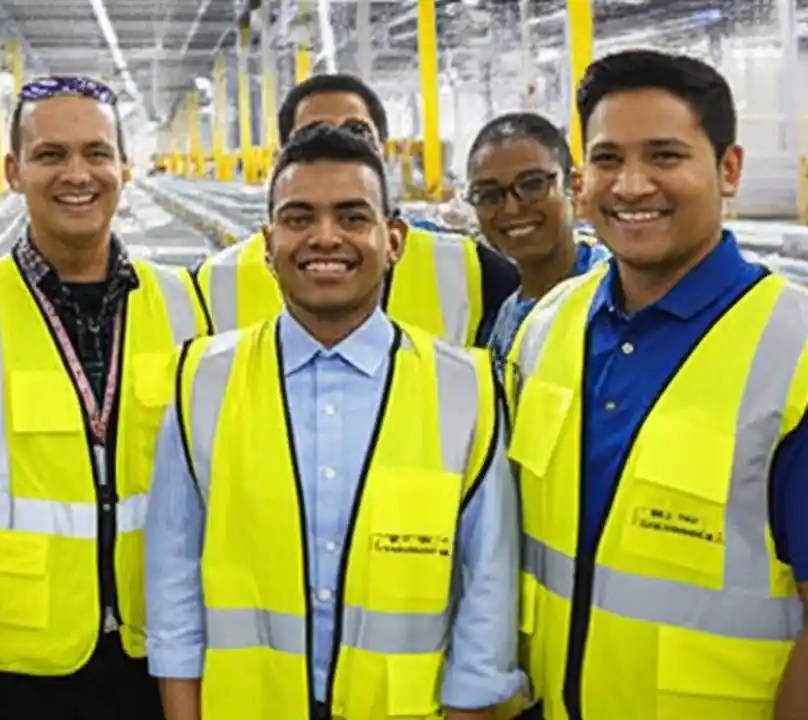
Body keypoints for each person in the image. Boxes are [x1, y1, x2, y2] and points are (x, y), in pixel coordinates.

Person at [147, 123, 525, 720]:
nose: (325, 238)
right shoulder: (202, 381)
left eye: (352, 217)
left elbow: (489, 586)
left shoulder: (466, 388)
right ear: (268, 243)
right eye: (299, 219)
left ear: (394, 240)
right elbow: (174, 573)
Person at [0, 75, 206, 720]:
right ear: (14, 170)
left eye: (96, 152)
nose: (77, 174)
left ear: (125, 165)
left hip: (162, 655)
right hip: (16, 669)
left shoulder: (183, 304)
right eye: (50, 155)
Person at [505, 49, 808, 719]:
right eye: (608, 160)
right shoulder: (549, 326)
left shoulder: (794, 354)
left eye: (665, 157)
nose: (632, 186)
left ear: (728, 169)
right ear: (582, 180)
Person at [193, 73, 520, 346]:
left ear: (384, 148)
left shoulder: (476, 272)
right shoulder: (215, 284)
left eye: (356, 131)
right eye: (314, 133)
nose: (337, 145)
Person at [464, 112, 611, 375]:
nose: (511, 209)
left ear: (575, 187)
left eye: (532, 185)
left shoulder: (612, 296)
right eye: (488, 195)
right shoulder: (501, 321)